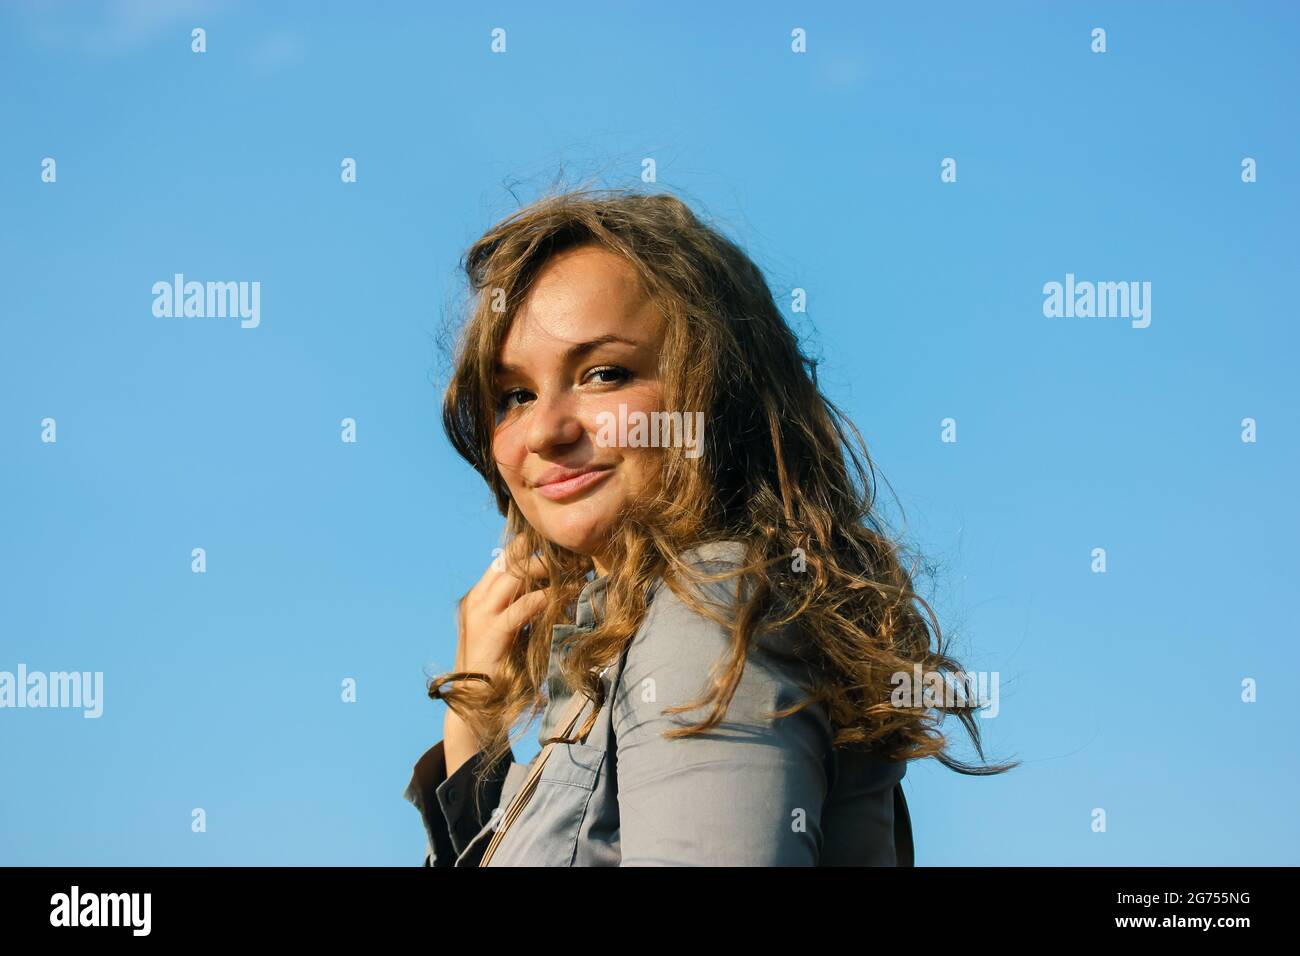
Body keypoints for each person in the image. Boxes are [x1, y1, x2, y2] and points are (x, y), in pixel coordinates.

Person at [403, 187, 1016, 866]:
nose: (545, 429)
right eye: (514, 395)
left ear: (716, 393)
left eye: (605, 374)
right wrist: (473, 733)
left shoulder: (712, 604)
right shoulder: (635, 643)